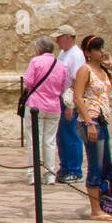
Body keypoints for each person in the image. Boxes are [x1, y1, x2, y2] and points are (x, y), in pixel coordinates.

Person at [73, 35, 112, 220]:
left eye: (102, 48)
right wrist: (89, 121)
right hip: (92, 121)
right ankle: (95, 209)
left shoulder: (103, 72)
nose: (101, 51)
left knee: (105, 164)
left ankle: (104, 204)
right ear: (88, 53)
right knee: (95, 165)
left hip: (103, 121)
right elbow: (78, 97)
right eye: (97, 49)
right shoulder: (85, 70)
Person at [23, 35, 67, 184]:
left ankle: (33, 174)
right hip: (54, 106)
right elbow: (63, 86)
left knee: (34, 140)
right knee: (50, 141)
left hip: (36, 105)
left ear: (39, 49)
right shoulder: (60, 64)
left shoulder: (35, 61)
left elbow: (28, 81)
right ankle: (50, 175)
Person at [54, 24, 85, 181]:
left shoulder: (76, 55)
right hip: (60, 98)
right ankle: (65, 166)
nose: (57, 41)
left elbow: (76, 80)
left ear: (67, 37)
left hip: (69, 99)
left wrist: (71, 105)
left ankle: (75, 170)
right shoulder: (63, 53)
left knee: (72, 135)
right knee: (62, 135)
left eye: (59, 38)